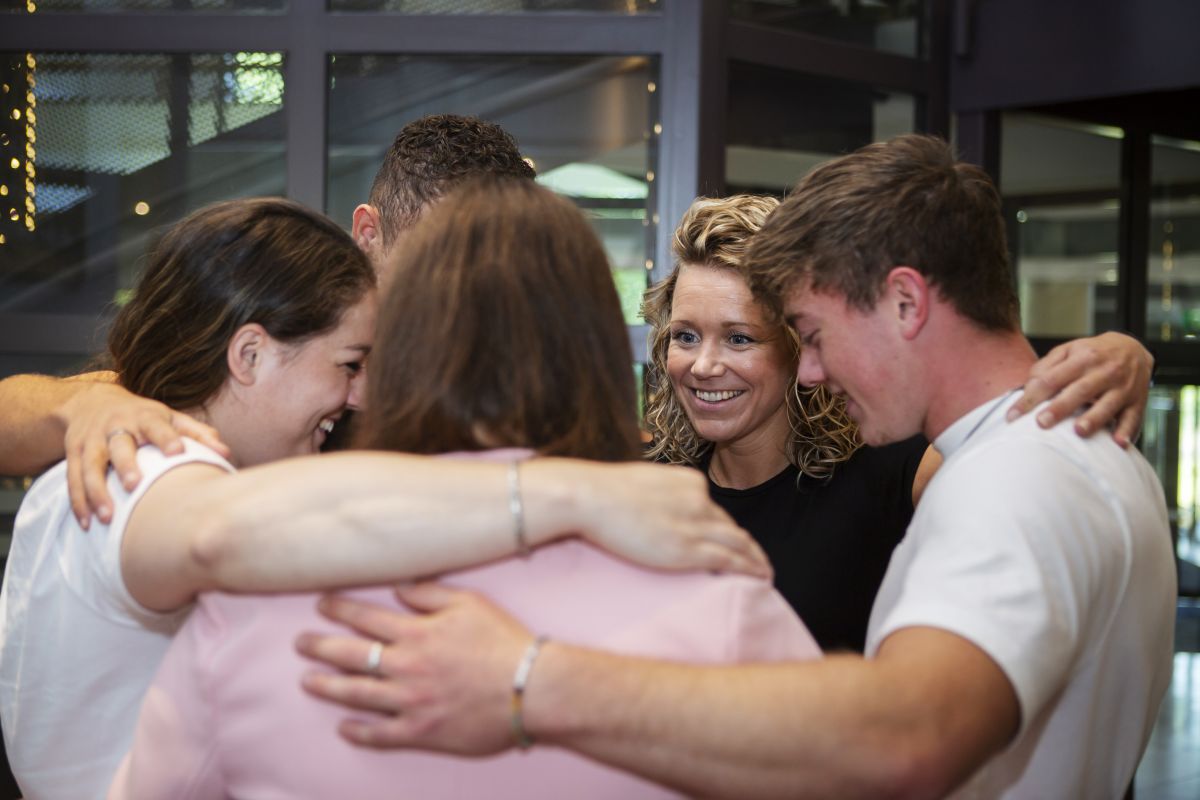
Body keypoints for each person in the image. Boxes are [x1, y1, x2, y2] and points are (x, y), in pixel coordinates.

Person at [296, 135, 1176, 798]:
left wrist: (527, 677)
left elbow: (910, 734)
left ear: (906, 300)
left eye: (814, 336)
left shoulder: (1004, 480)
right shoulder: (1087, 445)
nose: (816, 368)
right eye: (684, 335)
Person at [0, 197, 764, 800]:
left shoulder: (120, 446)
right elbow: (217, 536)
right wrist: (573, 492)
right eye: (350, 361)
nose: (363, 393)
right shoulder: (149, 472)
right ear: (251, 354)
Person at [642, 193, 1154, 652]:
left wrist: (1118, 357)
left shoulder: (891, 470)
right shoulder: (646, 482)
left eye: (739, 338)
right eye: (685, 336)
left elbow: (1018, 442)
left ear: (801, 345)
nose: (703, 365)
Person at [0, 113, 538, 517]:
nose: (463, 296)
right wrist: (86, 404)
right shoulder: (282, 314)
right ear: (369, 233)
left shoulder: (488, 386)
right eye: (441, 261)